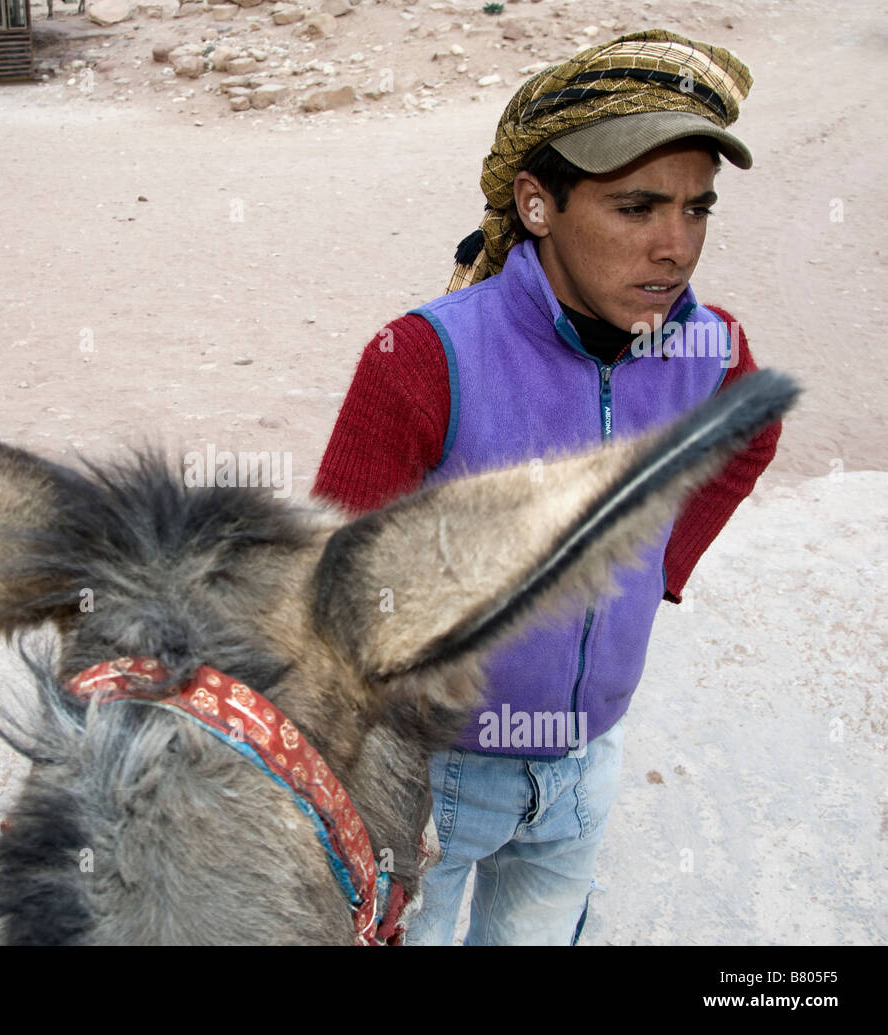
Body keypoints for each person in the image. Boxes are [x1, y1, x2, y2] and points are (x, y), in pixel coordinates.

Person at [312, 29, 782, 946]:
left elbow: (750, 433)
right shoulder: (425, 357)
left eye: (696, 210)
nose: (674, 246)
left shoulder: (706, 347)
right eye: (638, 206)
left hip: (585, 766)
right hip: (434, 781)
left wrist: (657, 564)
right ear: (537, 203)